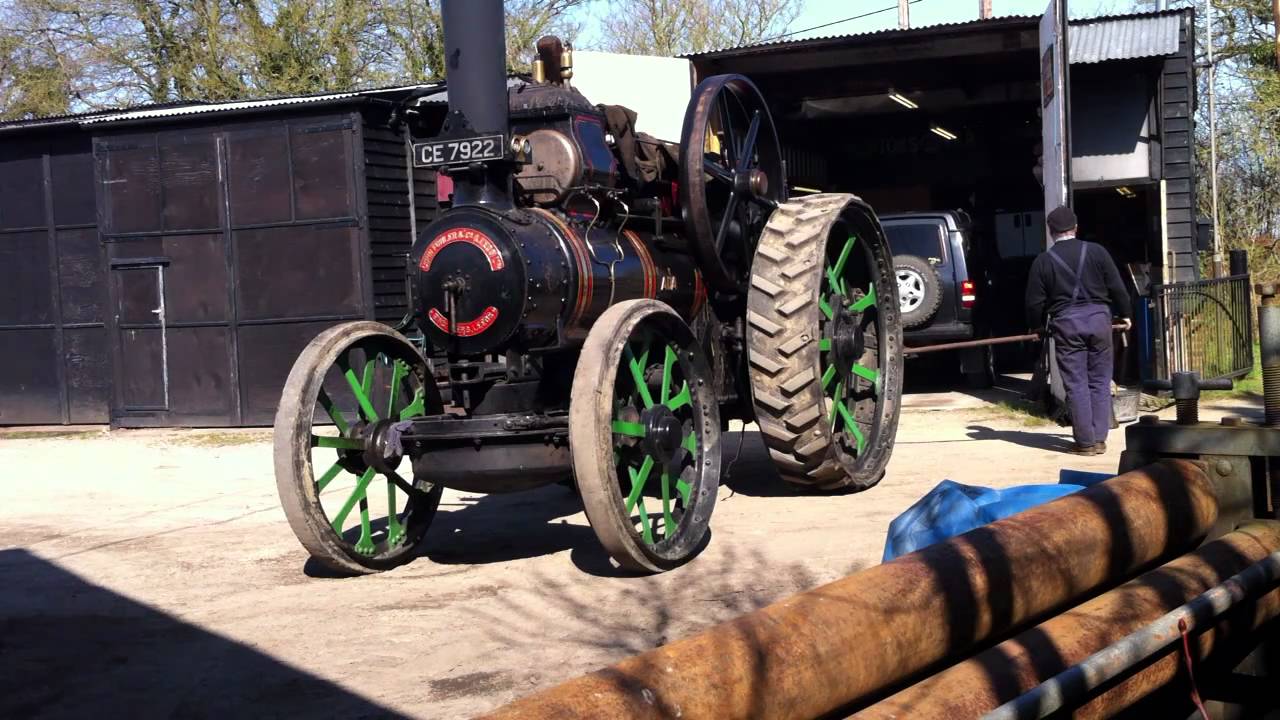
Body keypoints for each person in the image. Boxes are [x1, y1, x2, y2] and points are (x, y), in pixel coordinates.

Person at [1025, 206, 1132, 455]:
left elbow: (1034, 302)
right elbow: (1117, 286)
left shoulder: (1043, 261)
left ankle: (1084, 443)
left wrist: (1038, 326)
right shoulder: (1097, 252)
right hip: (1099, 321)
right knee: (1100, 381)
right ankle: (1099, 439)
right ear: (1076, 228)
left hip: (1067, 325)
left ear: (1051, 232)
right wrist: (1126, 314)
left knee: (1077, 384)